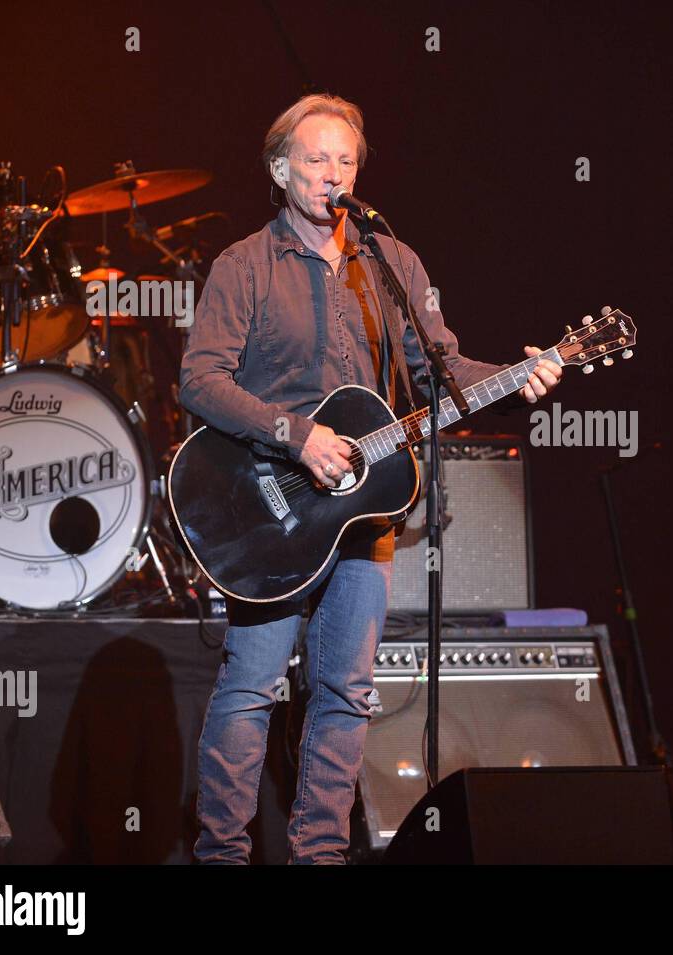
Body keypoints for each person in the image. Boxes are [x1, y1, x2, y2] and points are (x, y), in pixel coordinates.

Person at [180, 93, 562, 863]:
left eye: (346, 161)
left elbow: (442, 372)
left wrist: (519, 374)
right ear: (281, 168)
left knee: (347, 692)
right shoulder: (245, 265)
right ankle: (221, 853)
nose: (332, 174)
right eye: (317, 159)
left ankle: (319, 853)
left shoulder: (392, 263)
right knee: (252, 686)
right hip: (267, 511)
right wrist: (297, 437)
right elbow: (201, 381)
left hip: (363, 516)